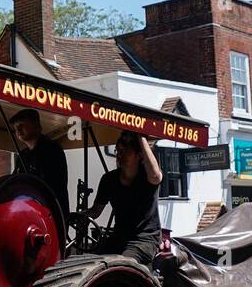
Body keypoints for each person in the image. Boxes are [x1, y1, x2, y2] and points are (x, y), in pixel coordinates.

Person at [85, 131, 164, 264]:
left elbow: (156, 176)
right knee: (93, 263)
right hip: (118, 238)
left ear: (139, 155)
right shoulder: (108, 180)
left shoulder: (148, 177)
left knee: (122, 264)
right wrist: (79, 216)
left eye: (125, 151)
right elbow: (96, 211)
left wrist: (141, 136)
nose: (119, 155)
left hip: (145, 240)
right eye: (118, 151)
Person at [10, 108, 70, 223]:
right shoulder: (23, 155)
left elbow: (48, 184)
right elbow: (15, 180)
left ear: (36, 125)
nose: (18, 130)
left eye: (22, 125)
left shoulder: (52, 150)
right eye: (15, 127)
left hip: (51, 214)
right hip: (29, 213)